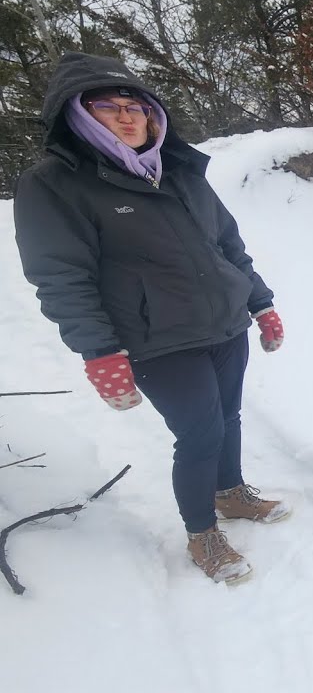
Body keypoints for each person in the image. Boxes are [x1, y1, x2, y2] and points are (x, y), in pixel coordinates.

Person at [13, 52, 289, 586]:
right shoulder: (54, 185)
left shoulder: (181, 169)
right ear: (77, 115)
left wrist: (261, 302)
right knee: (200, 432)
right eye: (107, 106)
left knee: (227, 416)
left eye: (135, 104)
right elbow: (60, 276)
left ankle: (229, 492)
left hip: (224, 323)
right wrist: (100, 352)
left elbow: (227, 245)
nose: (127, 115)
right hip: (154, 337)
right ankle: (201, 532)